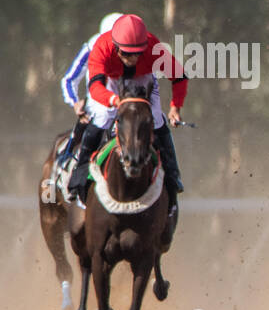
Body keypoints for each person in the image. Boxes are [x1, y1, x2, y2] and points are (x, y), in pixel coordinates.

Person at [67, 14, 187, 217]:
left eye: (138, 53)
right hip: (112, 82)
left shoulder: (153, 47)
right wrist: (115, 101)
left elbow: (179, 76)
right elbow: (95, 86)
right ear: (114, 46)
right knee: (103, 116)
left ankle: (173, 178)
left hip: (143, 80)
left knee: (157, 120)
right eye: (127, 54)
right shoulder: (102, 47)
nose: (133, 59)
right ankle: (79, 176)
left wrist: (175, 107)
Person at [56, 13, 123, 163]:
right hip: (96, 106)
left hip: (127, 106)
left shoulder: (135, 48)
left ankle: (170, 175)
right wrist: (75, 102)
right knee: (81, 134)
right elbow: (69, 79)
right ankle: (65, 166)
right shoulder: (92, 47)